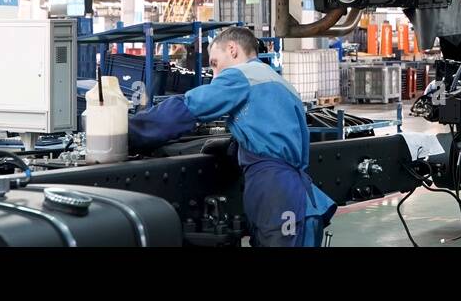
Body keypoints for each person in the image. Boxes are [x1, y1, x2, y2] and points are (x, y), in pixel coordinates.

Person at [129, 26, 336, 246]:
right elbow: (271, 136)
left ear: (232, 49)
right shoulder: (278, 82)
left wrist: (131, 131)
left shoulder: (243, 76)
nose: (216, 74)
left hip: (277, 194)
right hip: (298, 196)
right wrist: (232, 148)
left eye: (215, 63)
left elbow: (190, 107)